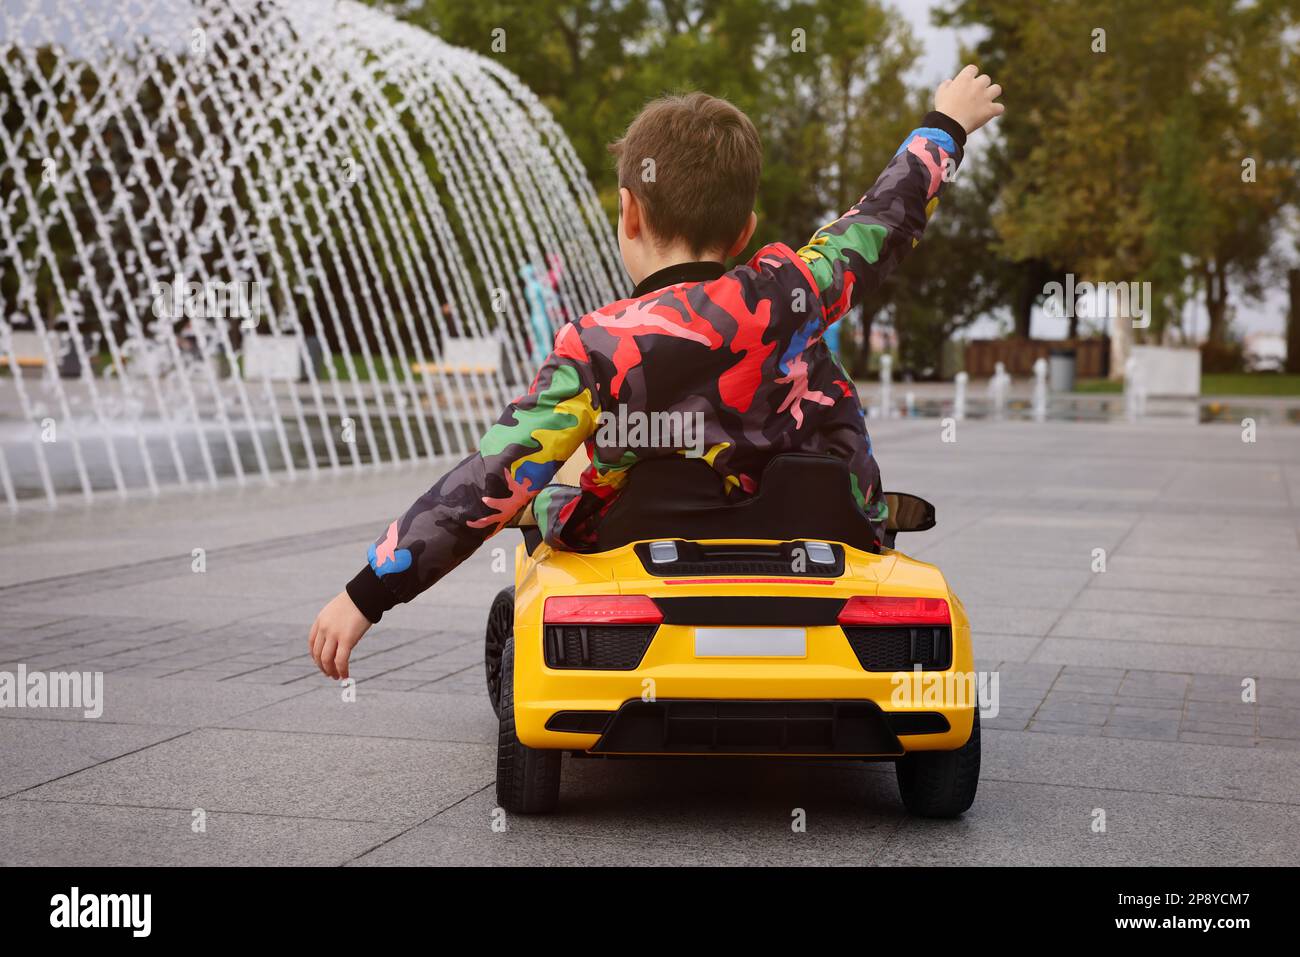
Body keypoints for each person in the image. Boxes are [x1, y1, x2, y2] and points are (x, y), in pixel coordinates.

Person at [309, 64, 1004, 680]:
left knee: (538, 492)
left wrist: (366, 593)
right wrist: (945, 125)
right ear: (745, 231)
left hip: (638, 536)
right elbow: (883, 218)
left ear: (629, 212)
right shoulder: (795, 291)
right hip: (810, 524)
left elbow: (486, 481)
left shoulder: (595, 345)